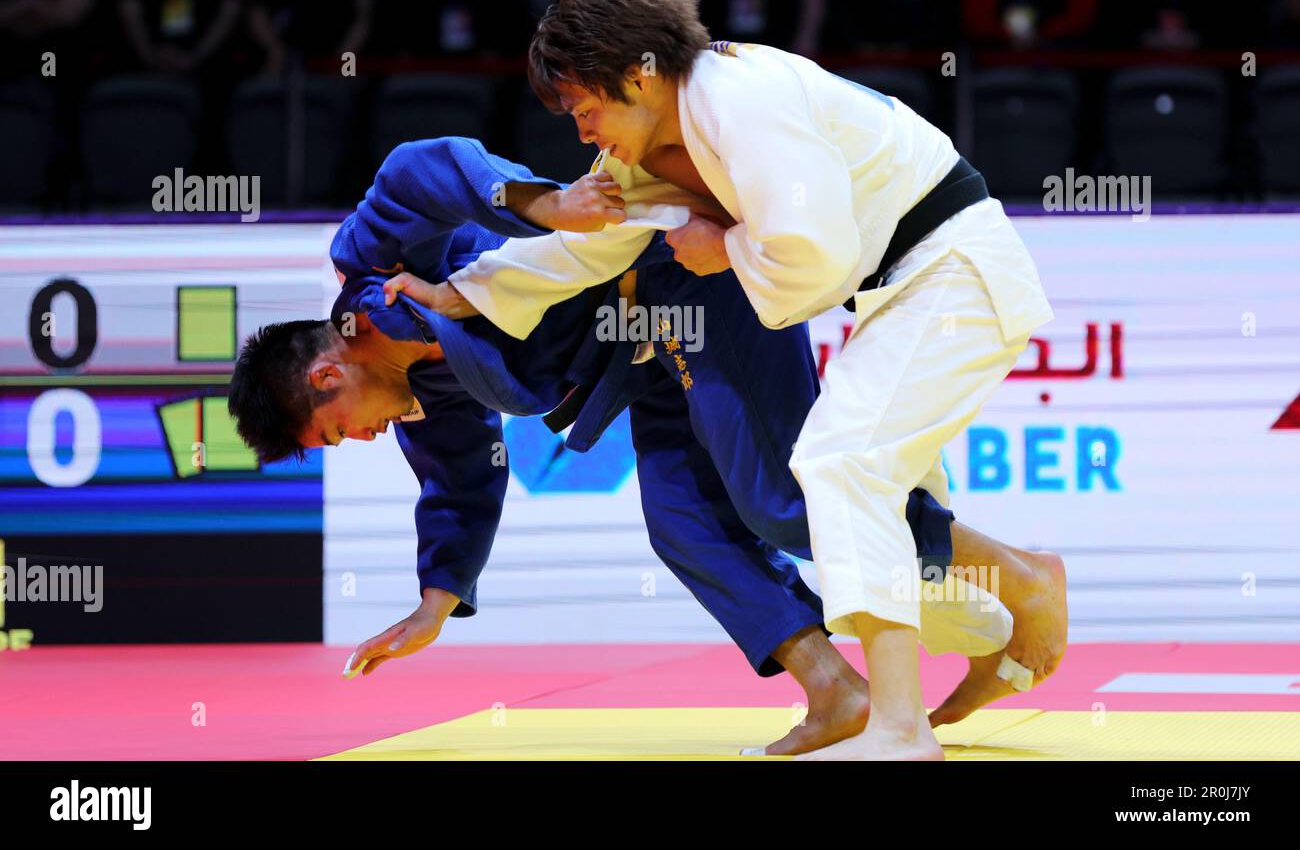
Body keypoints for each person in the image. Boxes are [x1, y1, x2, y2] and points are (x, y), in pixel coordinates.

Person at [228, 136, 1061, 754]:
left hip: (687, 277)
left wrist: (541, 204)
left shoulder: (369, 266)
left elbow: (426, 166)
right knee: (683, 525)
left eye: (338, 430)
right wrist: (433, 603)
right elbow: (458, 482)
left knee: (781, 502)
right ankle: (836, 693)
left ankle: (1021, 579)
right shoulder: (422, 396)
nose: (363, 437)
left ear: (329, 376)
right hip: (642, 356)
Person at [423, 0, 1061, 759]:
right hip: (901, 295)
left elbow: (816, 253)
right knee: (853, 491)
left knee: (837, 466)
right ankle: (1013, 598)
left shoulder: (739, 97)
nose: (581, 131)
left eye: (586, 107)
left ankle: (906, 719)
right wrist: (463, 292)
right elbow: (583, 247)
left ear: (640, 72)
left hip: (953, 273)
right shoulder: (653, 143)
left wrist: (722, 248)